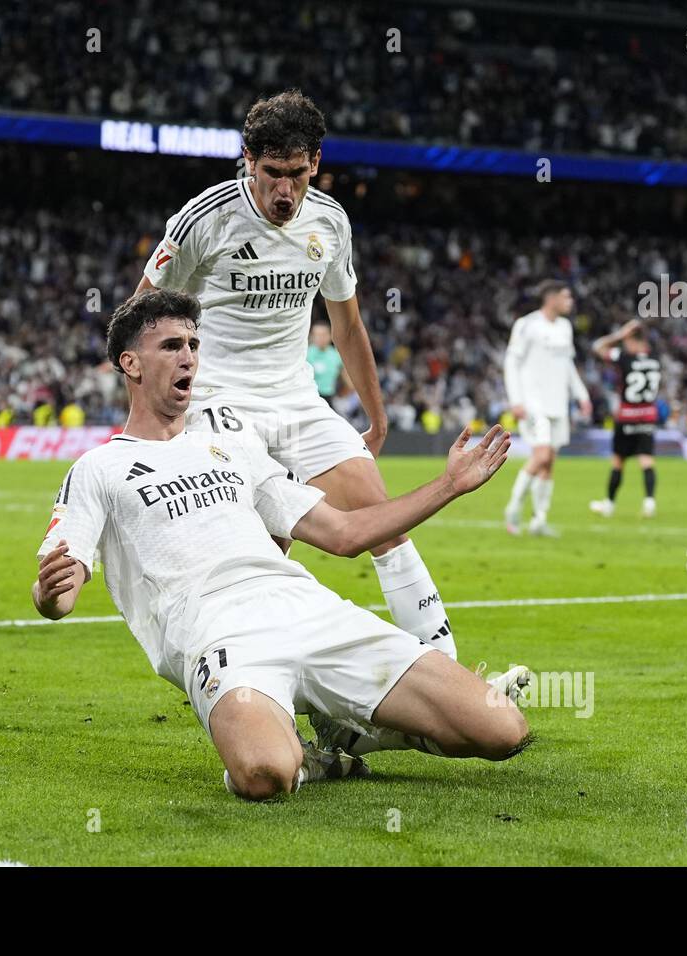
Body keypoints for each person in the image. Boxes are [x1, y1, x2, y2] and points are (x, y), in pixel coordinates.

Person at [35, 290, 531, 801]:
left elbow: (344, 534)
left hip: (303, 607)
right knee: (265, 775)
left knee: (503, 730)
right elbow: (58, 590)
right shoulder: (98, 469)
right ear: (130, 363)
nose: (188, 357)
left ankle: (352, 730)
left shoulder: (232, 448)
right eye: (171, 346)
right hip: (218, 636)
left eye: (194, 344)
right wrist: (53, 593)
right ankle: (314, 750)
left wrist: (448, 486)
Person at [134, 89, 458, 660]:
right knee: (259, 560)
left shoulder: (330, 222)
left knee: (383, 521)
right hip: (218, 402)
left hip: (298, 400)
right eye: (272, 174)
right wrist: (150, 422)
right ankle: (244, 683)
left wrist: (375, 418)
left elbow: (349, 329)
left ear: (316, 164)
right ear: (248, 160)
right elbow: (139, 321)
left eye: (298, 175)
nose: (285, 192)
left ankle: (449, 675)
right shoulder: (203, 221)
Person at [502, 279, 592, 536]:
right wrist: (516, 400)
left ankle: (539, 520)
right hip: (533, 404)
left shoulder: (565, 327)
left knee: (549, 461)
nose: (570, 302)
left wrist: (582, 395)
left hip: (558, 405)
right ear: (551, 298)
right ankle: (513, 508)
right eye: (566, 297)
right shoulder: (526, 325)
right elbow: (512, 363)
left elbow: (568, 366)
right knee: (541, 456)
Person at [589, 319, 660, 517]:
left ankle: (610, 505)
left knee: (618, 462)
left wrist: (620, 334)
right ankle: (649, 503)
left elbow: (597, 347)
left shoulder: (624, 357)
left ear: (631, 340)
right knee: (646, 461)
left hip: (627, 416)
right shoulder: (655, 358)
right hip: (647, 416)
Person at [306, 321, 348, 406]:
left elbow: (346, 379)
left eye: (323, 335)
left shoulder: (336, 355)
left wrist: (343, 394)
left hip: (330, 398)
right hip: (310, 398)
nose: (319, 338)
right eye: (316, 335)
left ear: (330, 335)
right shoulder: (305, 354)